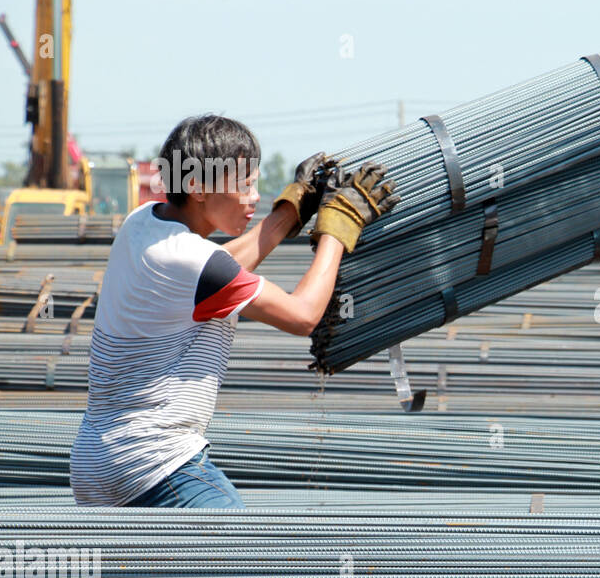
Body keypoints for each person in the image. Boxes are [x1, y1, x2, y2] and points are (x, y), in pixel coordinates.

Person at [69, 114, 397, 508]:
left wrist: (290, 212)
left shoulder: (141, 225)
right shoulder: (195, 262)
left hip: (97, 464)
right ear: (196, 186)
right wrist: (339, 226)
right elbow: (303, 314)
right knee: (245, 561)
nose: (255, 196)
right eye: (243, 184)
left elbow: (211, 269)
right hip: (157, 464)